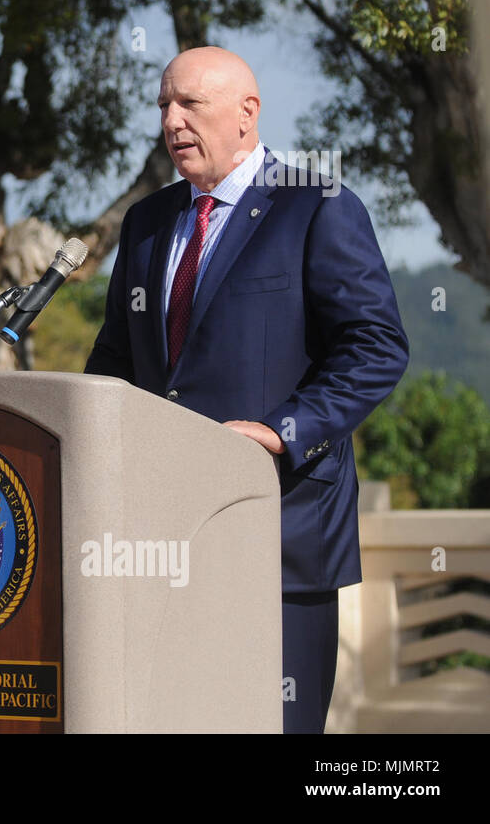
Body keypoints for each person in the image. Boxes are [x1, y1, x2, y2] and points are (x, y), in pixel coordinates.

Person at [84, 46, 408, 733]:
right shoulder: (146, 224)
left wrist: (278, 431)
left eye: (190, 104)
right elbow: (114, 360)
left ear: (246, 113)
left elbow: (376, 348)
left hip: (278, 536)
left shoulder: (317, 207)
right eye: (164, 106)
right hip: (162, 544)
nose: (171, 121)